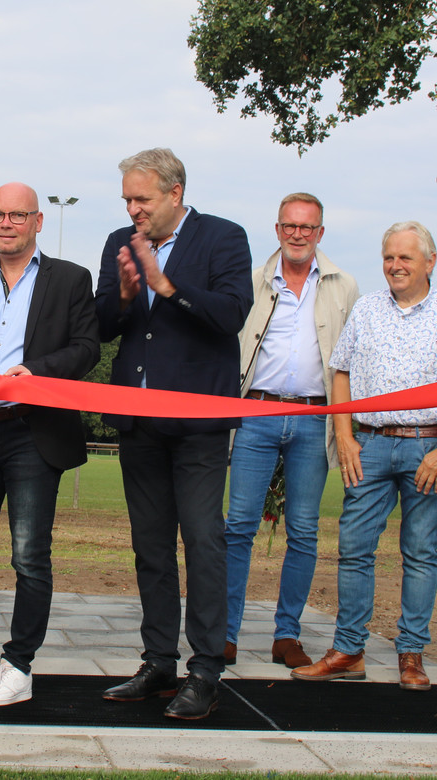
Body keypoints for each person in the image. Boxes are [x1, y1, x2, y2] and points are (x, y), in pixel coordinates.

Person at [292, 221, 437, 691]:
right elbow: (341, 372)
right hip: (372, 444)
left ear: (429, 262)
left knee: (420, 551)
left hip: (429, 447)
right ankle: (348, 650)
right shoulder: (367, 309)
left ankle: (411, 655)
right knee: (354, 548)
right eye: (388, 258)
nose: (395, 266)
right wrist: (344, 436)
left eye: (405, 258)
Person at [94, 147, 253, 720]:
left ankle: (205, 669)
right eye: (127, 200)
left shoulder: (223, 237)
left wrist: (166, 286)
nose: (132, 210)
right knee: (151, 546)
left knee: (204, 541)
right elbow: (102, 325)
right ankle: (159, 660)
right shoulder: (120, 241)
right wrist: (125, 296)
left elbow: (231, 314)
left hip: (198, 423)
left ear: (175, 192)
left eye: (142, 199)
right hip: (137, 421)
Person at [0, 183, 100, 706]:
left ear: (38, 222)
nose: (6, 223)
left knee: (28, 556)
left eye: (17, 215)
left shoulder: (70, 279)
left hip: (34, 432)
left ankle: (19, 664)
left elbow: (87, 349)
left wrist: (37, 372)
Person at [226, 193, 358, 669]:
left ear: (320, 233)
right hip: (256, 414)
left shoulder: (345, 286)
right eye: (289, 226)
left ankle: (287, 636)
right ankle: (224, 633)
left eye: (307, 227)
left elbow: (350, 361)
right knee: (238, 526)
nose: (298, 234)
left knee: (303, 531)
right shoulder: (252, 281)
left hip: (314, 418)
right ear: (277, 230)